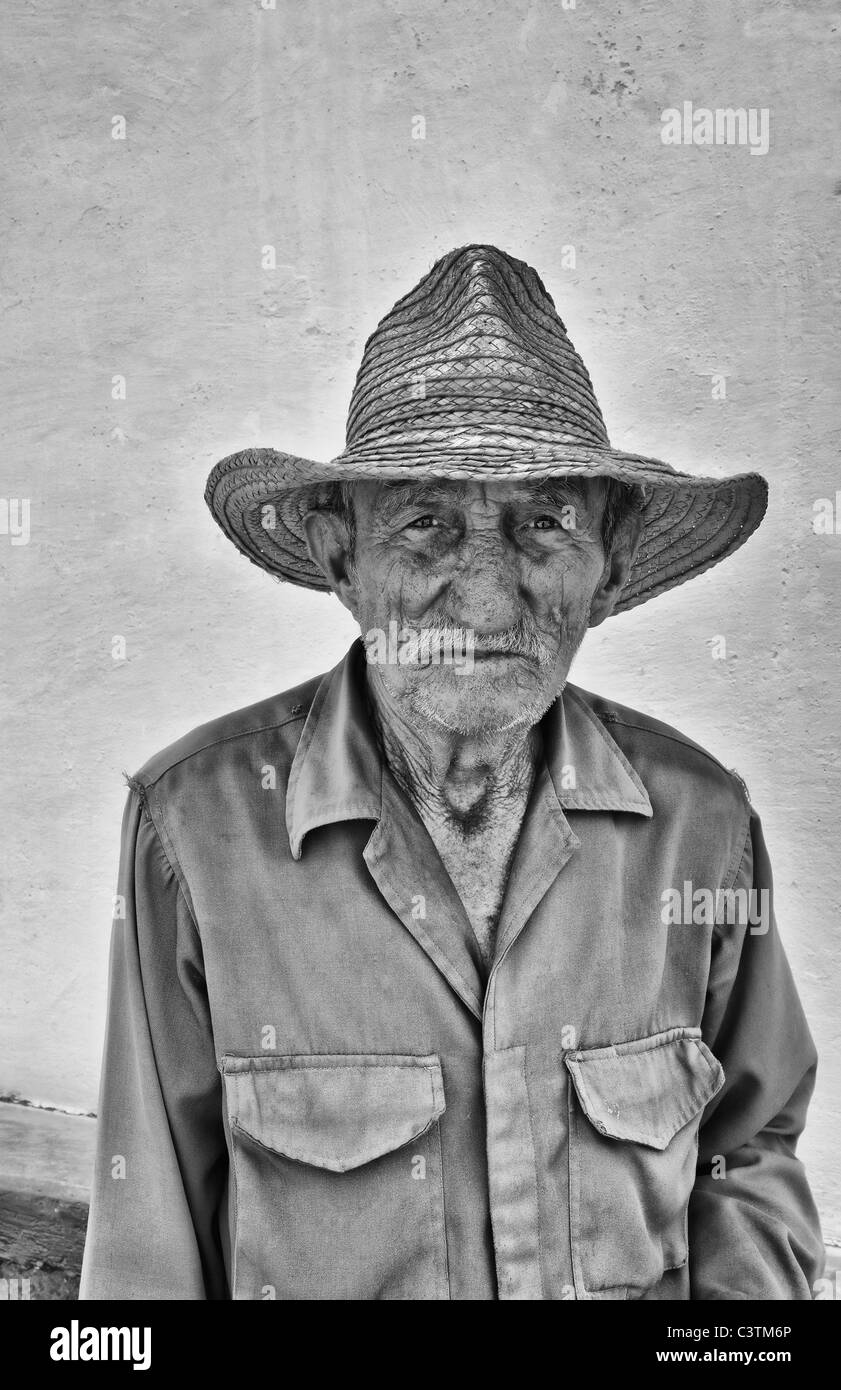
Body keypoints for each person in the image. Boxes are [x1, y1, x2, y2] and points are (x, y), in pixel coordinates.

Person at [80, 244, 824, 1300]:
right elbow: (146, 1256)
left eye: (543, 524)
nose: (482, 598)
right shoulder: (196, 832)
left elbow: (747, 1147)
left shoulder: (701, 828)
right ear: (343, 556)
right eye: (426, 522)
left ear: (607, 565)